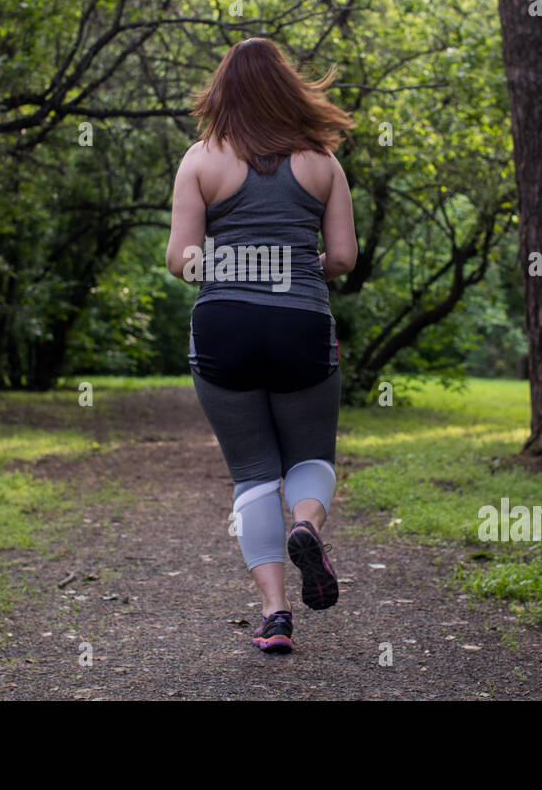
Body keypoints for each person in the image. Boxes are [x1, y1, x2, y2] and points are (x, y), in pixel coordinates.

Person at [165, 37, 358, 654]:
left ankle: (276, 615)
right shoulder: (322, 162)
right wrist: (294, 268)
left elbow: (181, 261)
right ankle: (307, 524)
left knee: (251, 473)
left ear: (222, 92)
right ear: (289, 88)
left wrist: (233, 265)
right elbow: (344, 259)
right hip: (301, 323)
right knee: (312, 458)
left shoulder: (201, 159)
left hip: (225, 327)